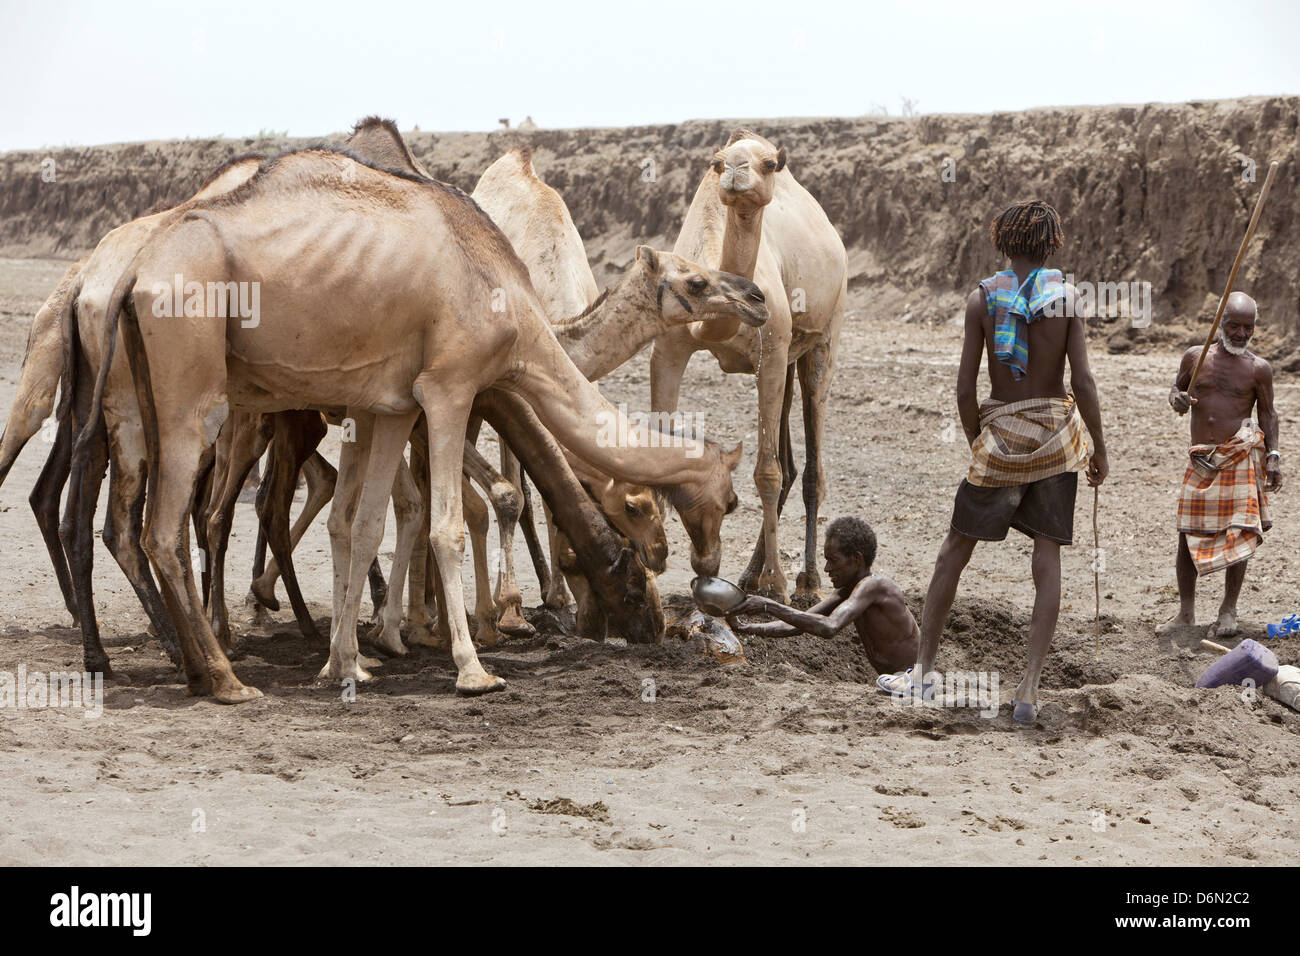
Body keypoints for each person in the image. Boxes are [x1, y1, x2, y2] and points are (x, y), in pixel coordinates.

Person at [881, 199, 1108, 724]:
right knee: (1046, 560)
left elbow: (965, 389)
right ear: (1051, 245)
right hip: (1056, 439)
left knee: (952, 553)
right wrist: (1099, 446)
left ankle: (922, 673)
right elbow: (1083, 383)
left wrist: (978, 443)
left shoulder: (982, 299)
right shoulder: (1068, 299)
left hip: (1001, 435)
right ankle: (1027, 690)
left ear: (1001, 243)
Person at [1159, 292, 1281, 639]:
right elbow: (1176, 390)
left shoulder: (1258, 369)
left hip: (1239, 457)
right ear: (1219, 322)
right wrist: (1177, 400)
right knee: (1187, 533)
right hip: (1201, 458)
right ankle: (1185, 613)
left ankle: (1228, 610)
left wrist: (1273, 457)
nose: (1241, 334)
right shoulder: (1196, 358)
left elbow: (1268, 414)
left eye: (1248, 327)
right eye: (1233, 325)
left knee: (1240, 531)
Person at [726, 516, 918, 674]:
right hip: (896, 680)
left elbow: (829, 627)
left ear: (857, 559)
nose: (826, 569)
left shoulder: (875, 586)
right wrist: (744, 627)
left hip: (913, 679)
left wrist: (769, 605)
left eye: (833, 561)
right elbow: (793, 626)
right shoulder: (847, 591)